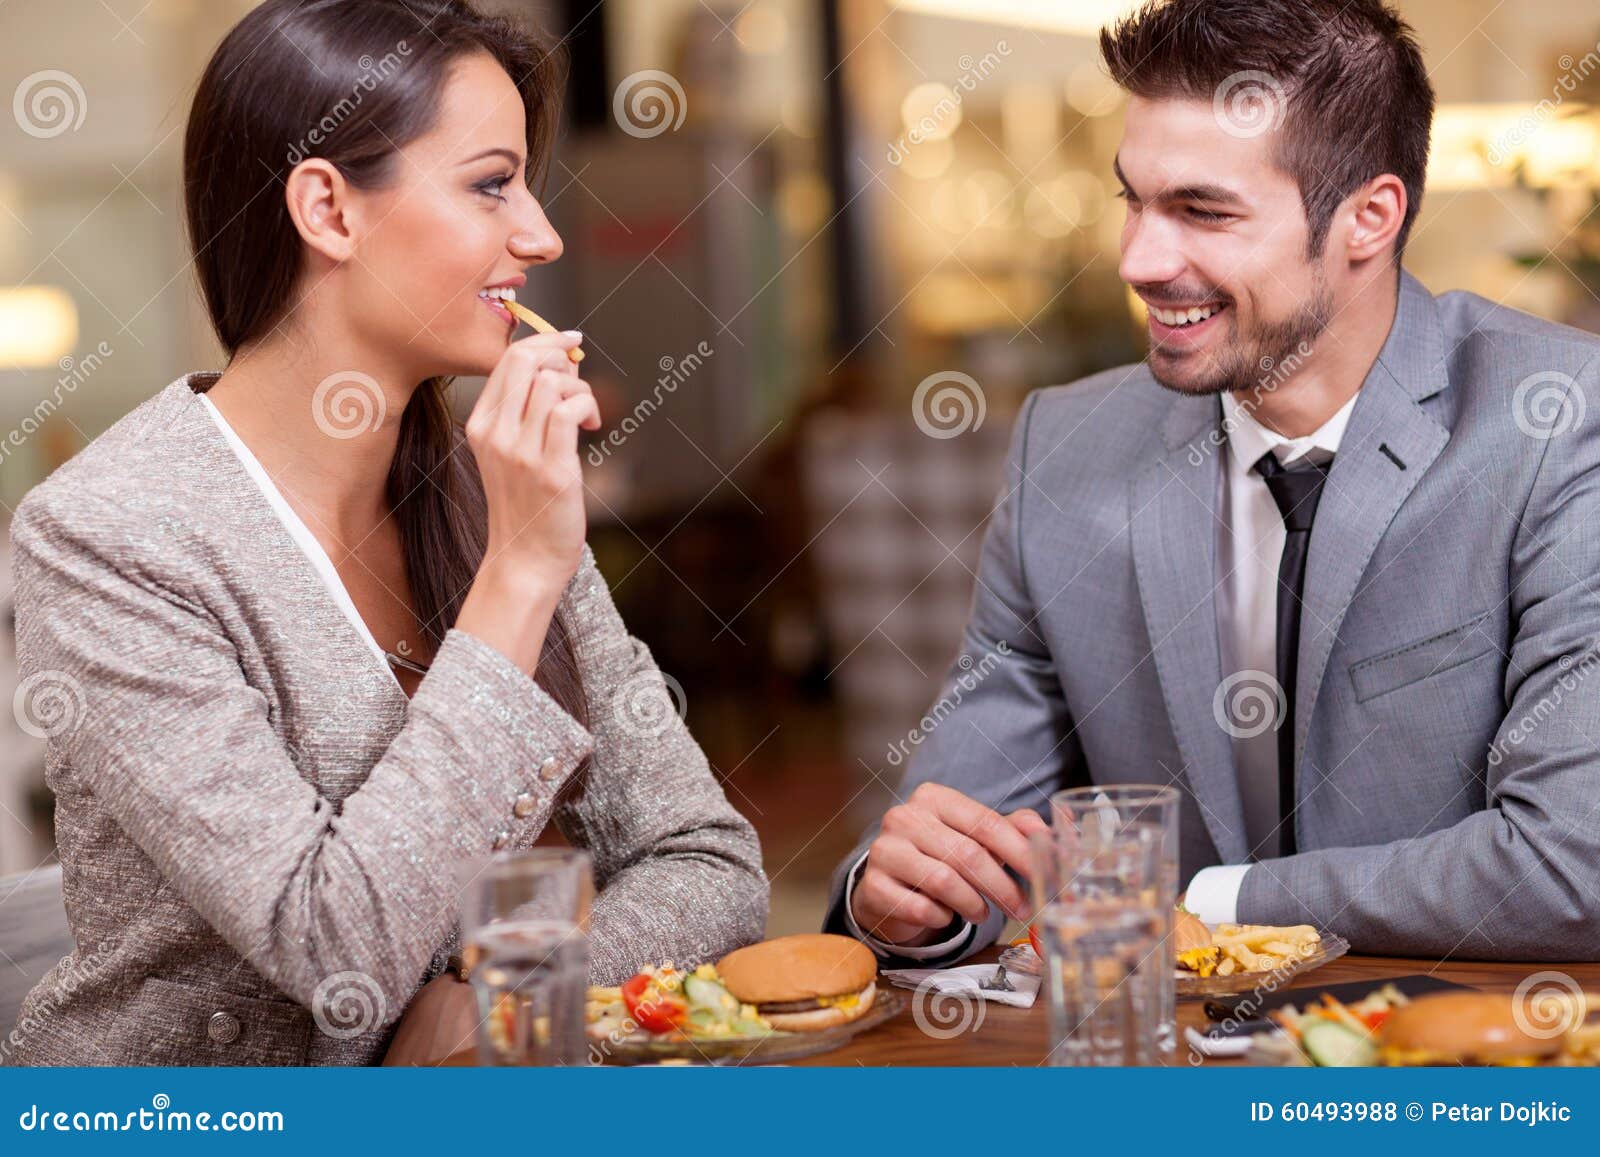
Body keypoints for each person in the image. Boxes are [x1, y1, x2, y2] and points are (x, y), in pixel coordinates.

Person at [5, 0, 766, 1067]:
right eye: (491, 184)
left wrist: (497, 989)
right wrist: (518, 574)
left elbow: (710, 860)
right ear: (328, 210)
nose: (542, 235)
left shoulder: (486, 492)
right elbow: (336, 951)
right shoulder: (105, 536)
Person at [827, 0, 1600, 965]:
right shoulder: (1066, 448)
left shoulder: (1558, 423)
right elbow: (966, 843)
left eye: (1203, 211)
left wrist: (1203, 901)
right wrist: (903, 900)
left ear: (1369, 218)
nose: (1139, 260)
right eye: (1134, 201)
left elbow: (1573, 863)